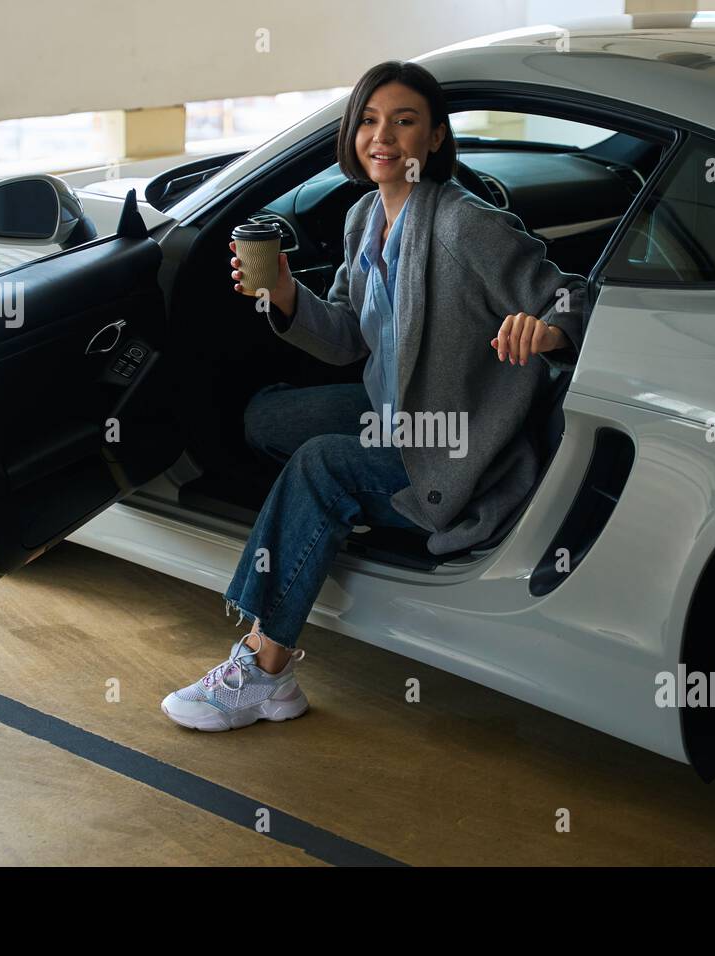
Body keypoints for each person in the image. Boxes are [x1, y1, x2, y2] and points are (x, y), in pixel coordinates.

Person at [161, 60, 587, 732]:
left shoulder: (463, 225)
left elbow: (572, 296)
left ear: (437, 138)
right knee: (266, 416)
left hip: (456, 441)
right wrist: (283, 292)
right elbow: (344, 340)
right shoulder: (366, 218)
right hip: (394, 413)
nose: (381, 135)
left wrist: (547, 330)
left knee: (320, 463)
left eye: (404, 121)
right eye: (368, 120)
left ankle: (264, 668)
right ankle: (328, 517)